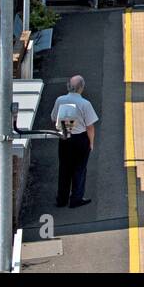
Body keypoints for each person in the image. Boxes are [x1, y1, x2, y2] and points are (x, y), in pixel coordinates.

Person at [51, 75, 98, 209]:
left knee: (64, 168)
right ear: (81, 88)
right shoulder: (85, 104)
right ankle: (76, 199)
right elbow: (90, 126)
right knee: (79, 169)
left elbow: (54, 118)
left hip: (64, 137)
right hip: (80, 139)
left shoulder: (59, 100)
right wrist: (91, 143)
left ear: (68, 86)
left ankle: (62, 199)